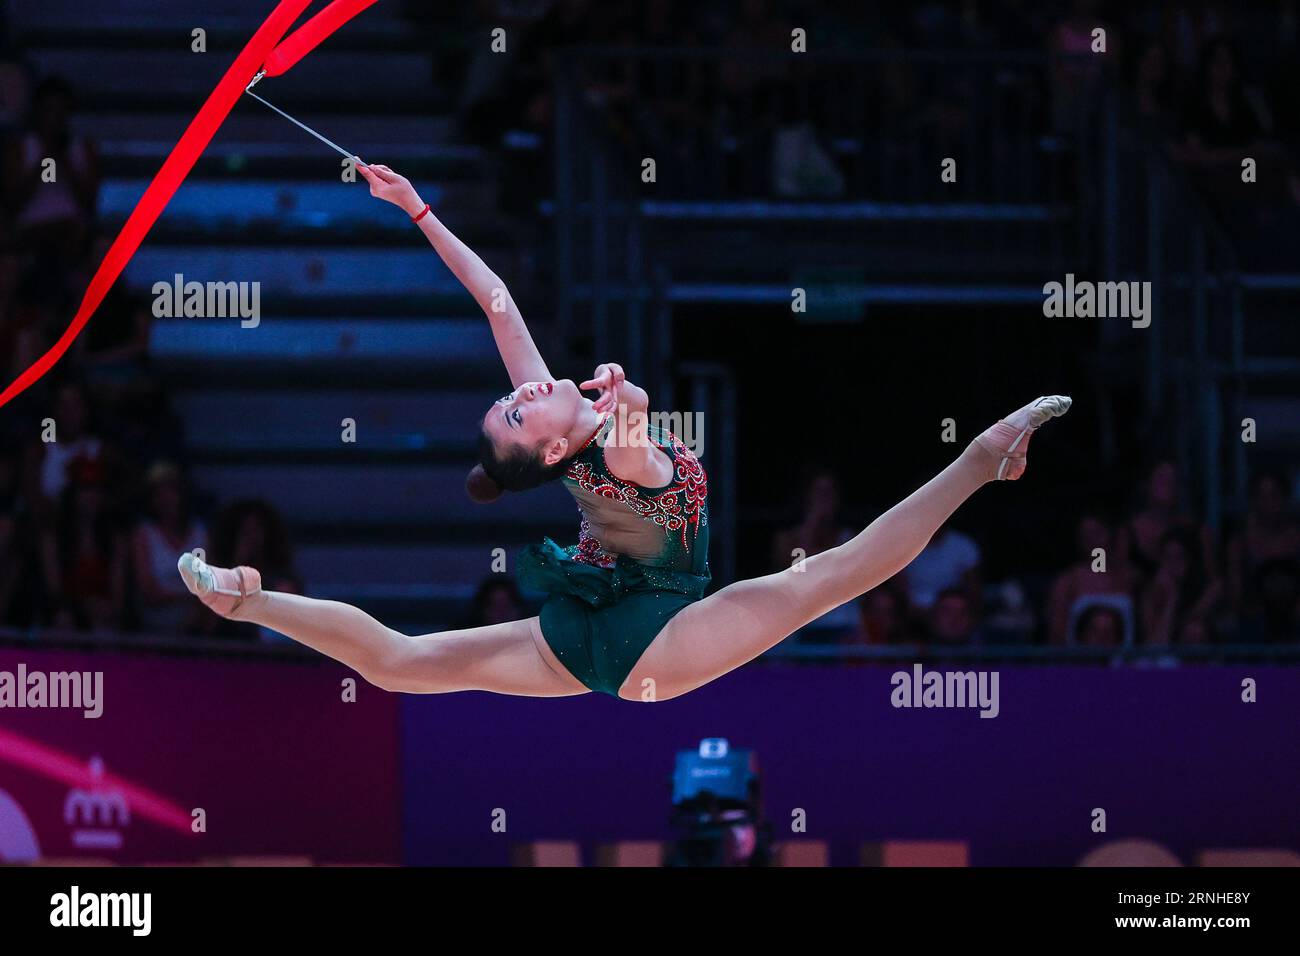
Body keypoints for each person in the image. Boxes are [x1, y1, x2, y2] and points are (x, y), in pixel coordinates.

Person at [177, 162, 1071, 702]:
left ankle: (246, 600)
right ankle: (982, 457)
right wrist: (629, 399)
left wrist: (416, 209)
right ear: (556, 450)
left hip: (580, 639)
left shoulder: (573, 429)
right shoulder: (612, 445)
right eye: (520, 410)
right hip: (656, 642)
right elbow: (638, 447)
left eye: (513, 399)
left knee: (403, 662)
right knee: (834, 575)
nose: (524, 391)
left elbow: (494, 300)